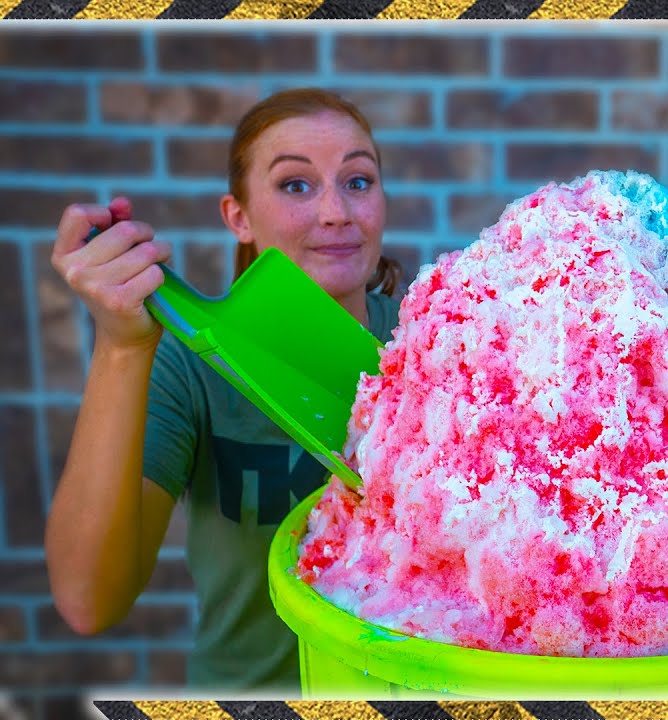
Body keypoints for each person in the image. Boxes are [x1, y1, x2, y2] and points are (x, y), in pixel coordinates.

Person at [44, 88, 403, 691]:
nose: (337, 211)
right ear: (238, 216)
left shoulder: (436, 343)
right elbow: (88, 601)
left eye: (358, 181)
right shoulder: (191, 368)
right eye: (296, 185)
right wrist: (123, 345)